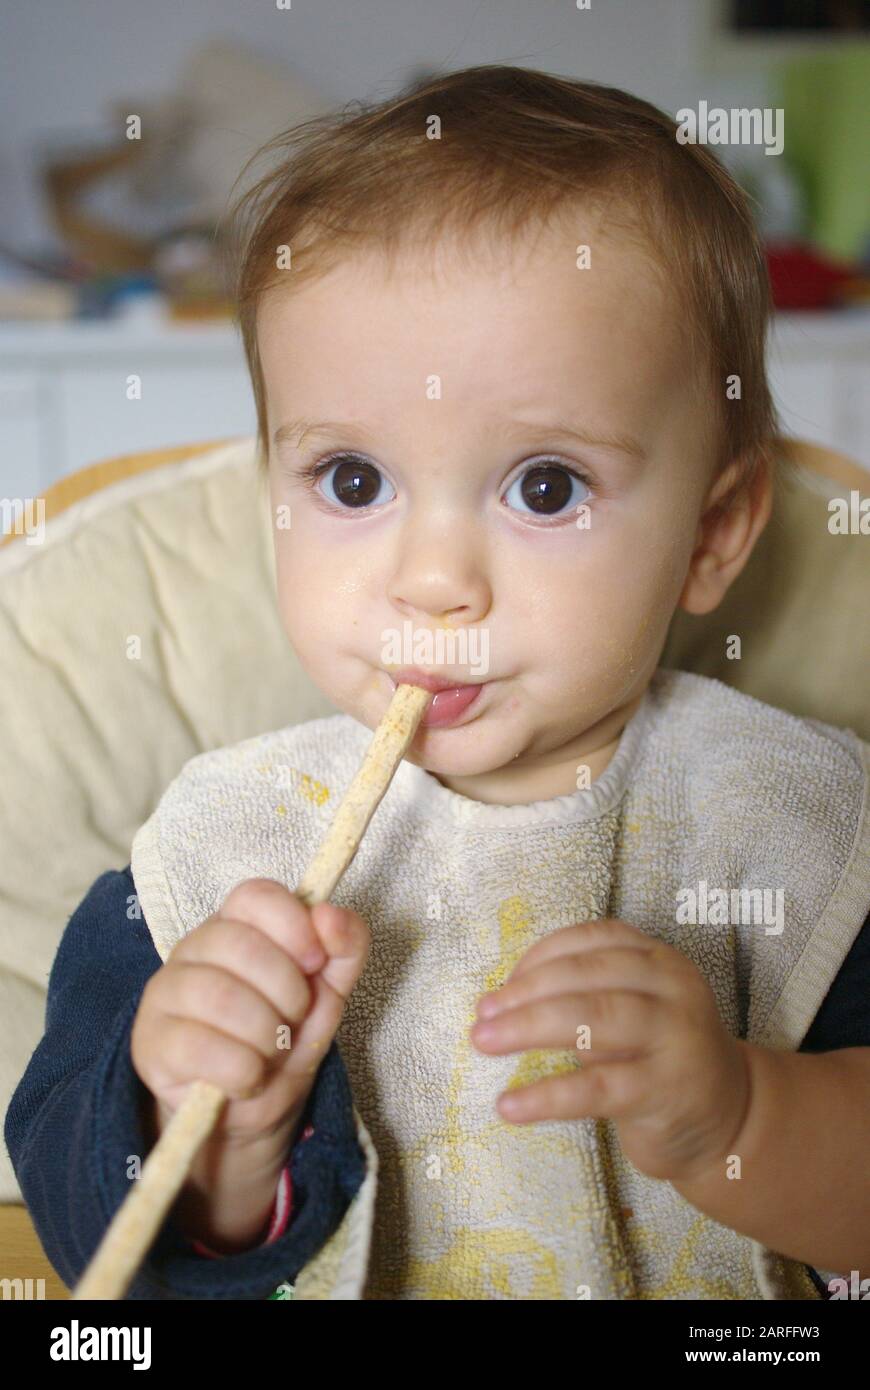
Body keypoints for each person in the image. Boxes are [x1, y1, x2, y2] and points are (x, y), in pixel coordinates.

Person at [6, 65, 870, 1300]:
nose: (433, 582)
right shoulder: (209, 859)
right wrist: (220, 1140)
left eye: (546, 486)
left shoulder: (796, 821)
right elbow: (97, 1251)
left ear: (713, 534)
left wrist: (736, 1114)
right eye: (353, 482)